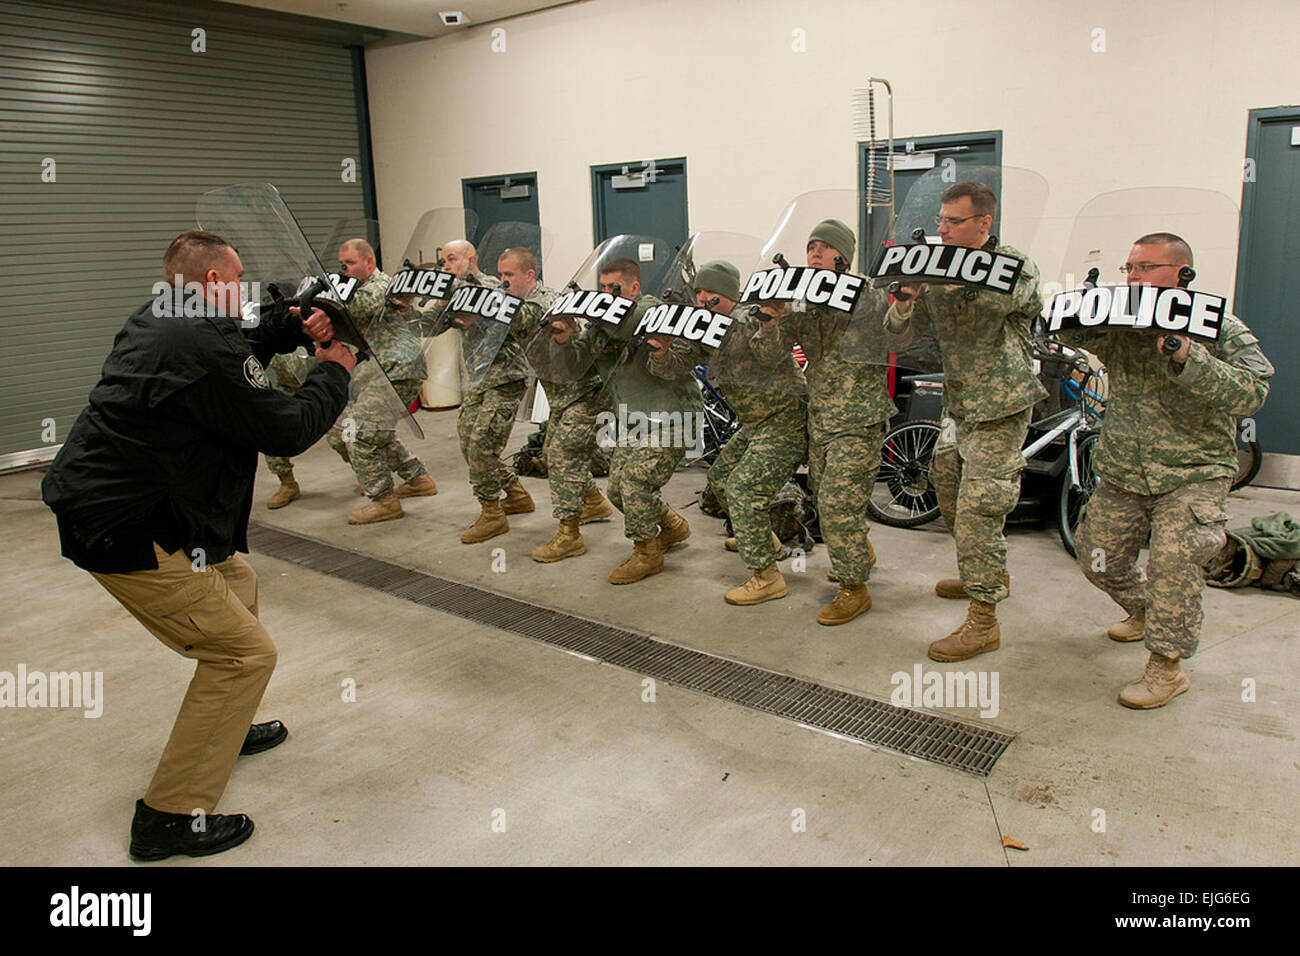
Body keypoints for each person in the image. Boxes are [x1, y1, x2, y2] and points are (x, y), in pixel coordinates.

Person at [40, 230, 354, 859]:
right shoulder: (198, 340)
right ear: (212, 284)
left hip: (135, 505)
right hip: (121, 526)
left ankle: (225, 722)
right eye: (235, 280)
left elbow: (236, 338)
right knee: (244, 655)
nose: (240, 292)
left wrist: (290, 322)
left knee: (238, 581)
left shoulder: (164, 314)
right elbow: (286, 428)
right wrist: (335, 369)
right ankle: (166, 819)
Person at [1073, 232, 1273, 708]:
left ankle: (1166, 668)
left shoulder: (1218, 326)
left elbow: (1253, 391)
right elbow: (1074, 335)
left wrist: (1188, 354)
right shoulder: (1120, 320)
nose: (1132, 276)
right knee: (1096, 556)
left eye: (1145, 268)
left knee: (1173, 565)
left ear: (1182, 274)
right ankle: (1144, 609)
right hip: (1124, 469)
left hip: (1193, 471)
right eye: (1129, 268)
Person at [887, 182, 1045, 660]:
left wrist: (938, 275)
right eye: (940, 220)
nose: (942, 228)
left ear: (983, 223)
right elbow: (899, 332)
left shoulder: (1015, 267)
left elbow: (990, 307)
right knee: (946, 479)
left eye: (952, 222)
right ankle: (986, 569)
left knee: (980, 505)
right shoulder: (936, 268)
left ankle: (983, 620)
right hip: (960, 404)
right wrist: (907, 296)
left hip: (1002, 405)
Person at [754, 221, 893, 624]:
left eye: (824, 247)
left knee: (835, 505)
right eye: (810, 246)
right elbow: (770, 354)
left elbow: (894, 329)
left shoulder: (867, 293)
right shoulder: (800, 300)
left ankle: (854, 589)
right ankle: (859, 551)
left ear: (843, 257)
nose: (814, 253)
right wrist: (772, 320)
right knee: (827, 496)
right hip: (821, 415)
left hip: (859, 418)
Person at [699, 260, 807, 605]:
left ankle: (767, 576)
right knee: (719, 478)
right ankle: (763, 538)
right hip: (756, 423)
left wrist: (770, 321)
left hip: (785, 417)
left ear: (728, 294)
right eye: (698, 291)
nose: (702, 298)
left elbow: (770, 351)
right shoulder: (709, 327)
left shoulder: (749, 319)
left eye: (710, 292)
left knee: (744, 490)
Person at [592, 258, 698, 584]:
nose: (608, 295)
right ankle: (671, 526)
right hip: (635, 421)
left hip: (673, 419)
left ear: (635, 288)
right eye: (603, 288)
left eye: (616, 288)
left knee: (636, 481)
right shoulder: (603, 325)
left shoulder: (651, 311)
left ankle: (647, 553)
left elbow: (633, 323)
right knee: (616, 491)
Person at [511, 247, 615, 563]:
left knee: (561, 455)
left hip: (585, 393)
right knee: (550, 452)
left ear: (528, 275)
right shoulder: (522, 304)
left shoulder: (545, 302)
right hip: (561, 395)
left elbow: (573, 355)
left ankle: (569, 535)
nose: (503, 282)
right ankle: (592, 501)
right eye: (500, 275)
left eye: (508, 275)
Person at [430, 239, 537, 543]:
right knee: (468, 441)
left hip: (504, 377)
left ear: (471, 259)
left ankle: (492, 514)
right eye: (444, 261)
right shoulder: (454, 292)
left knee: (480, 446)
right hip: (478, 380)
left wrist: (475, 316)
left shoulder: (491, 287)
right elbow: (433, 327)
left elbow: (507, 324)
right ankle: (515, 494)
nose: (446, 266)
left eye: (452, 259)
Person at [324, 238, 436, 524]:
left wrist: (326, 294)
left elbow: (359, 306)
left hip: (398, 367)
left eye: (349, 264)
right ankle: (417, 478)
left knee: (360, 434)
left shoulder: (380, 285)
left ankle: (384, 500)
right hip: (376, 369)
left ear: (368, 263)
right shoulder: (354, 287)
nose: (344, 270)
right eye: (341, 264)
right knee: (356, 431)